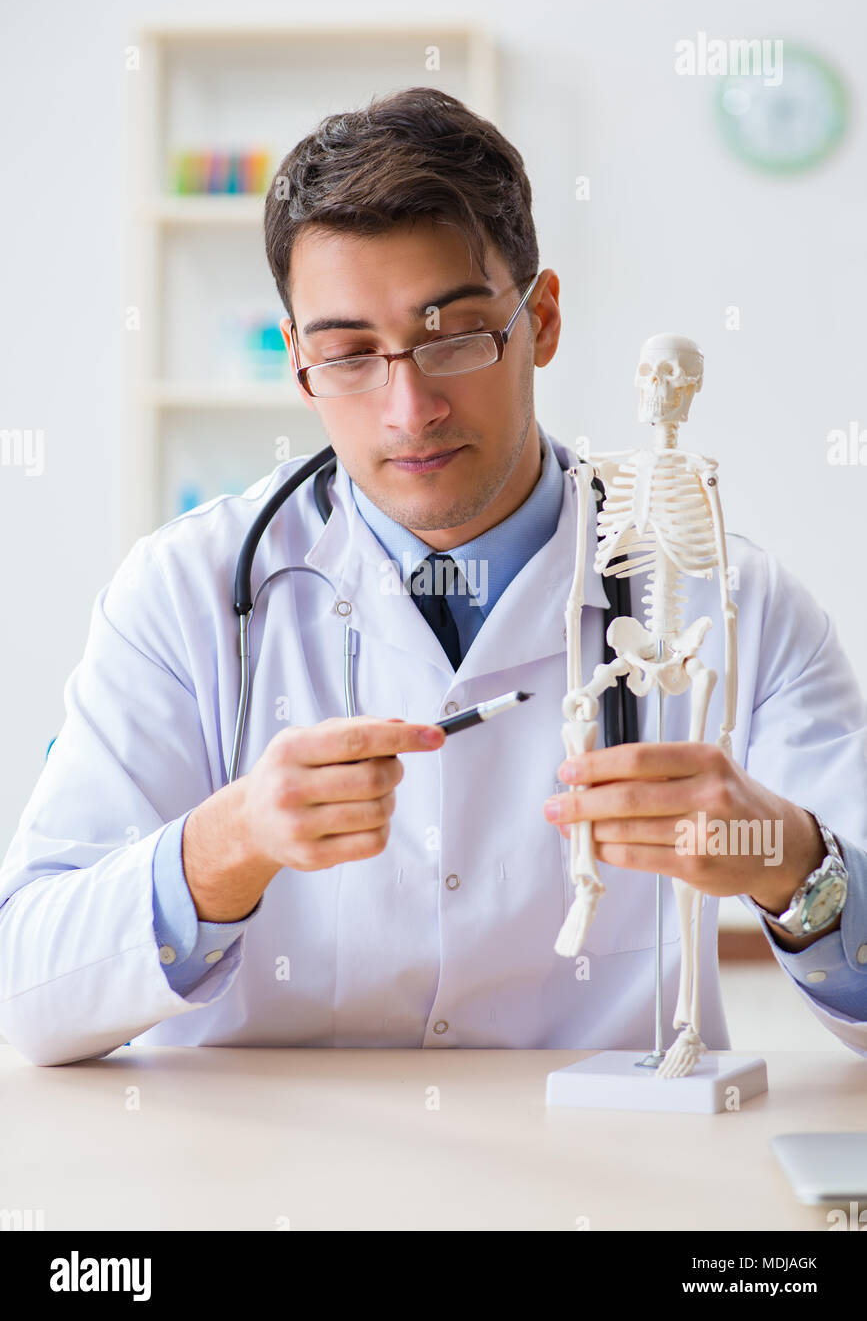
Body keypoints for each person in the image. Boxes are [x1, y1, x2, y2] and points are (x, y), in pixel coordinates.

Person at [1, 87, 866, 1068]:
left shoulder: (733, 605)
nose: (408, 408)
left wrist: (794, 861)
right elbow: (26, 992)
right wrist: (227, 842)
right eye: (350, 355)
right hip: (250, 1190)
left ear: (539, 321)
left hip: (603, 1185)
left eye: (453, 335)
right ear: (298, 369)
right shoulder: (184, 592)